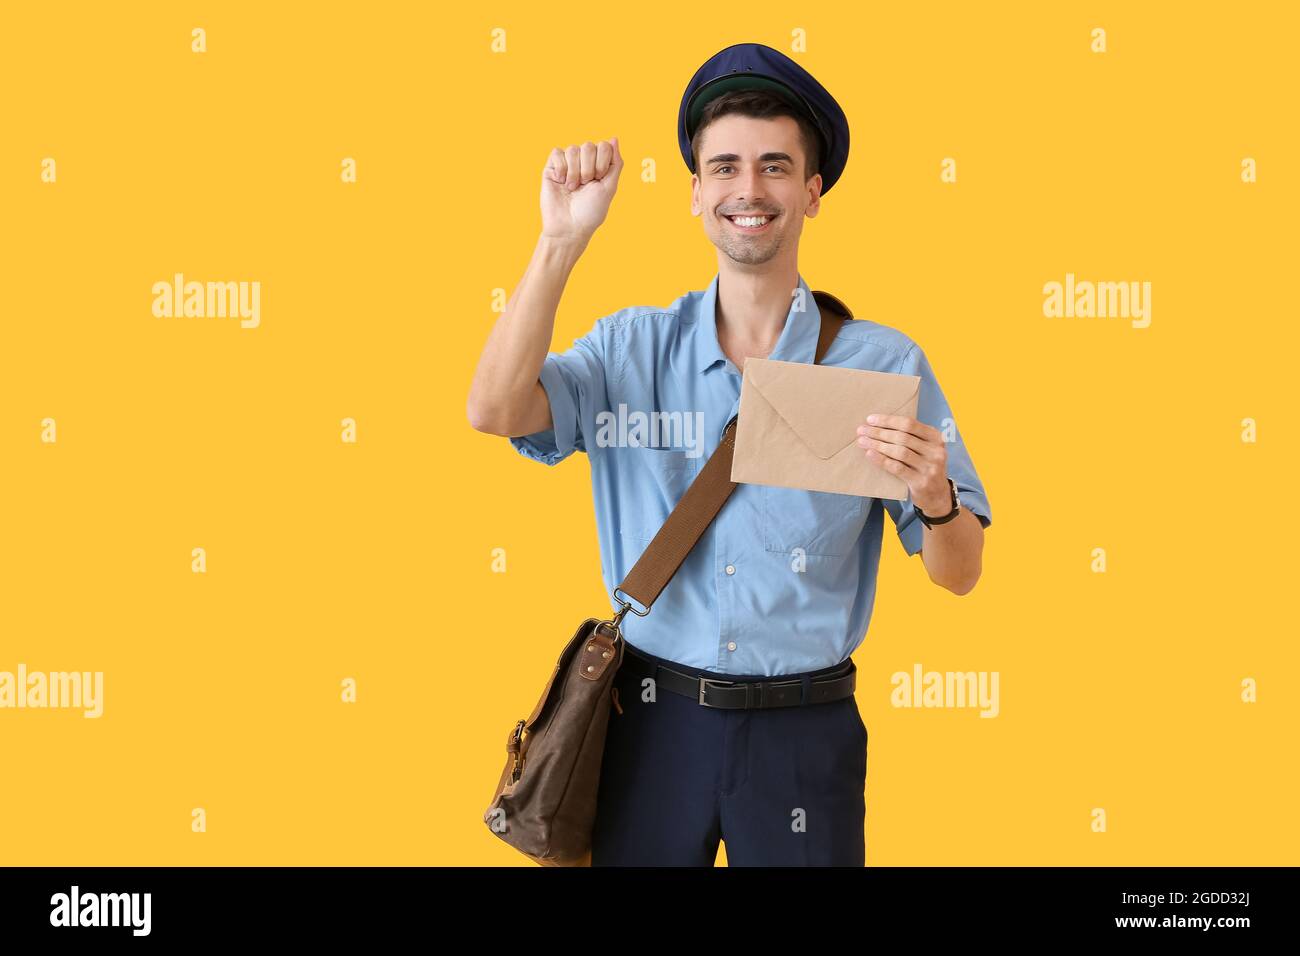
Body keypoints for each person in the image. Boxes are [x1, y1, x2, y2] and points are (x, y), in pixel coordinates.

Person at [467, 43, 992, 866]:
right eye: (726, 167)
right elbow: (494, 409)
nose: (750, 189)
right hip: (649, 722)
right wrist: (560, 240)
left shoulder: (883, 365)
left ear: (812, 191)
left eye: (776, 166)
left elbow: (958, 573)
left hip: (805, 736)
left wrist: (938, 502)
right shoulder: (629, 350)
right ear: (696, 193)